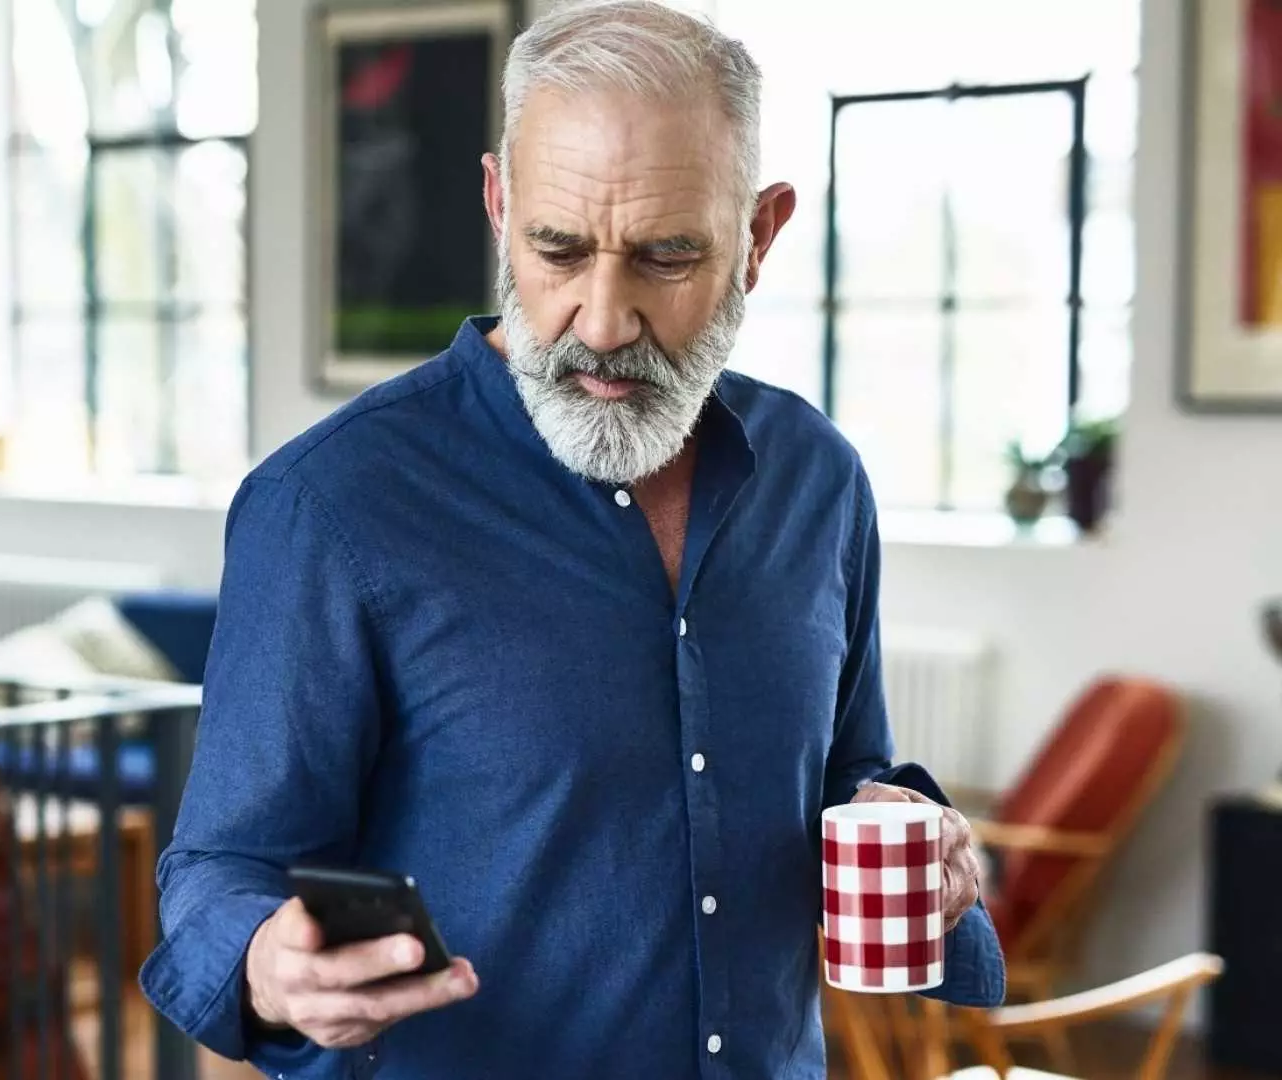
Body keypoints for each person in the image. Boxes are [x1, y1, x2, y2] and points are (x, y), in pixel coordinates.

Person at [138, 1, 1004, 1076]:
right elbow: (225, 861)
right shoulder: (333, 504)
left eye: (666, 256)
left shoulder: (817, 479)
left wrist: (907, 821)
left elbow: (844, 770)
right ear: (501, 204)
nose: (602, 319)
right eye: (557, 247)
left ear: (759, 235)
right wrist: (268, 960)